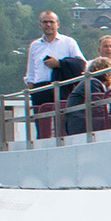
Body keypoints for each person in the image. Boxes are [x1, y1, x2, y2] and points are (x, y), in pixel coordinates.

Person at [23, 9, 85, 137]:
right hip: (40, 89)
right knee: (42, 126)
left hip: (62, 87)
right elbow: (30, 72)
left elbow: (81, 63)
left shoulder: (68, 42)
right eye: (45, 22)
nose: (48, 25)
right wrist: (31, 88)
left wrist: (59, 64)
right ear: (40, 25)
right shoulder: (35, 45)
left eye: (51, 22)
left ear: (58, 24)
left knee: (62, 123)